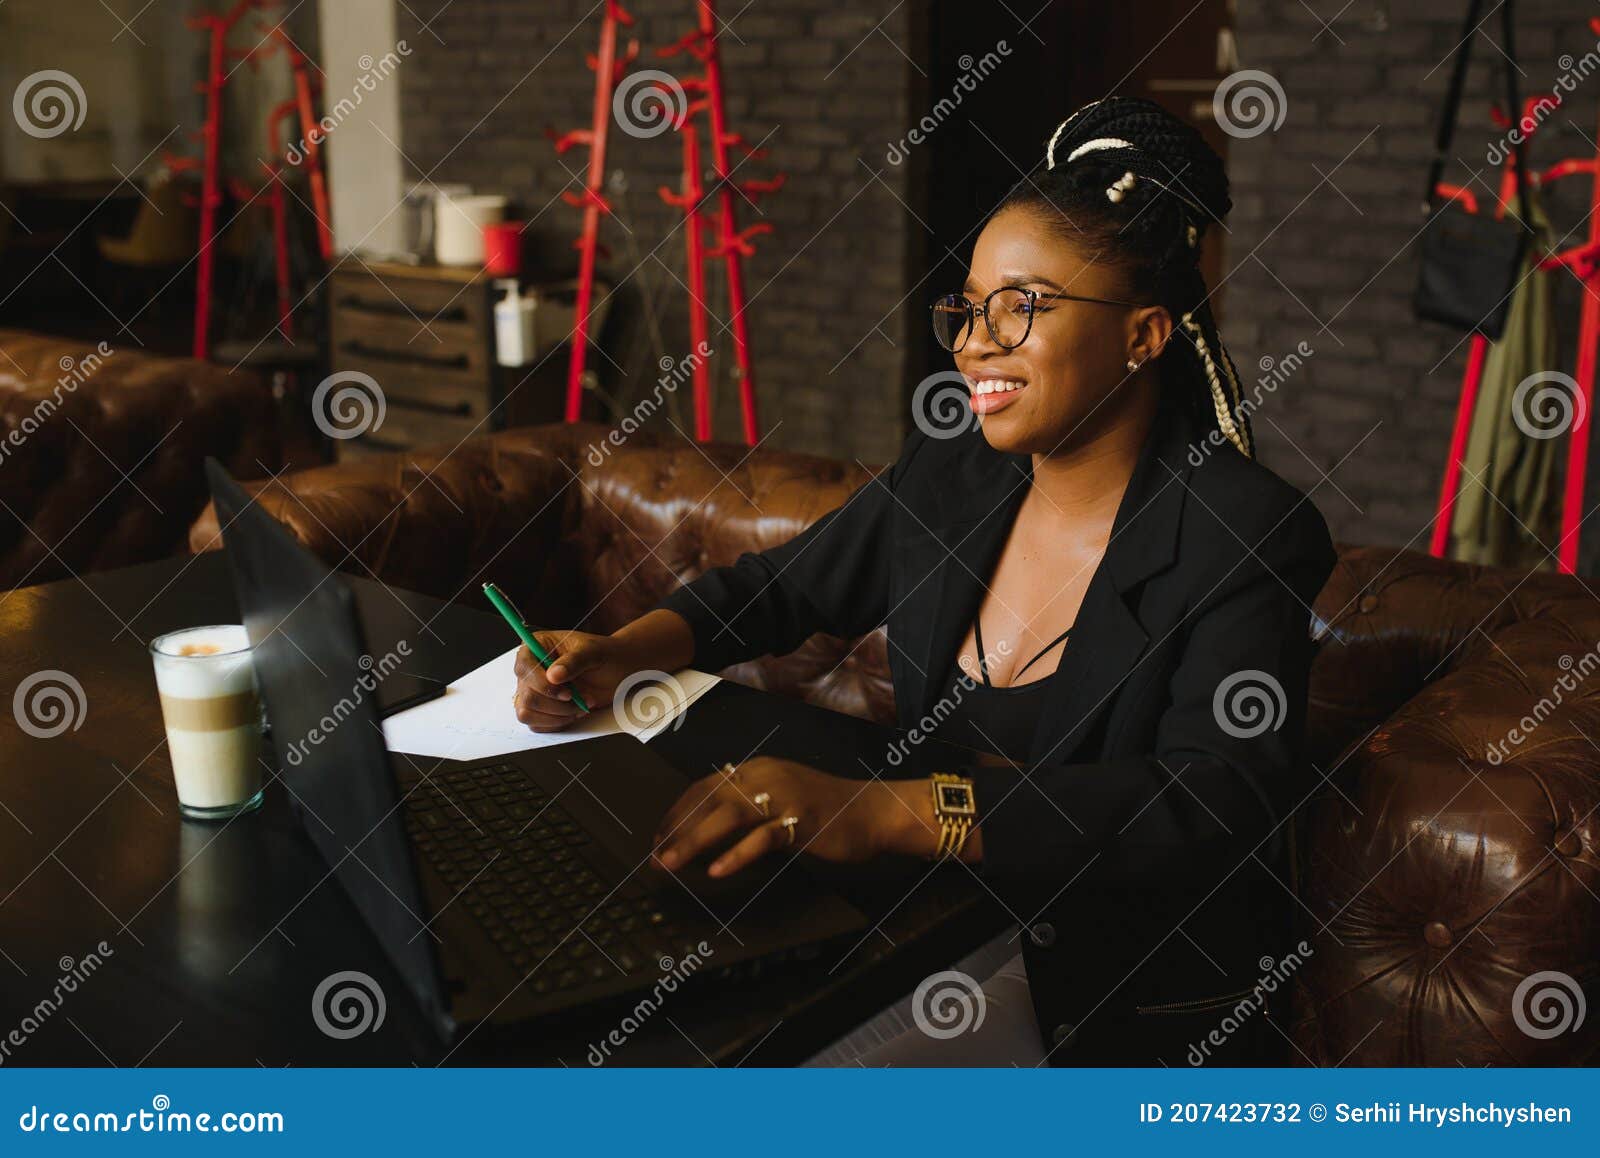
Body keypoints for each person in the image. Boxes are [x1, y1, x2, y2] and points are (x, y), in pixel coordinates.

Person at [511, 97, 1337, 1066]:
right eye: (971, 306)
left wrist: (880, 811)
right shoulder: (957, 471)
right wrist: (621, 650)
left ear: (1144, 336)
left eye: (1022, 304)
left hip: (1111, 1009)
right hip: (922, 936)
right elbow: (782, 589)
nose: (975, 342)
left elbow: (1209, 802)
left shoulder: (1244, 534)